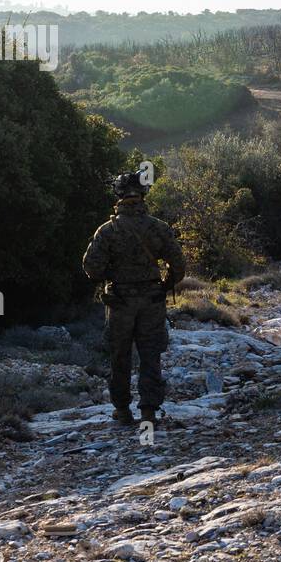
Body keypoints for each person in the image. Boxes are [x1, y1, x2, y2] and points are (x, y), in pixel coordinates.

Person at [82, 171, 186, 427]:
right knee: (151, 354)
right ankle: (148, 411)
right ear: (143, 195)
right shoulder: (158, 227)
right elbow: (179, 265)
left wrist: (113, 277)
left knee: (120, 355)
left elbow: (91, 267)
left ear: (118, 195)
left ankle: (122, 410)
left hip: (120, 301)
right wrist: (164, 286)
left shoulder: (108, 230)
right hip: (152, 299)